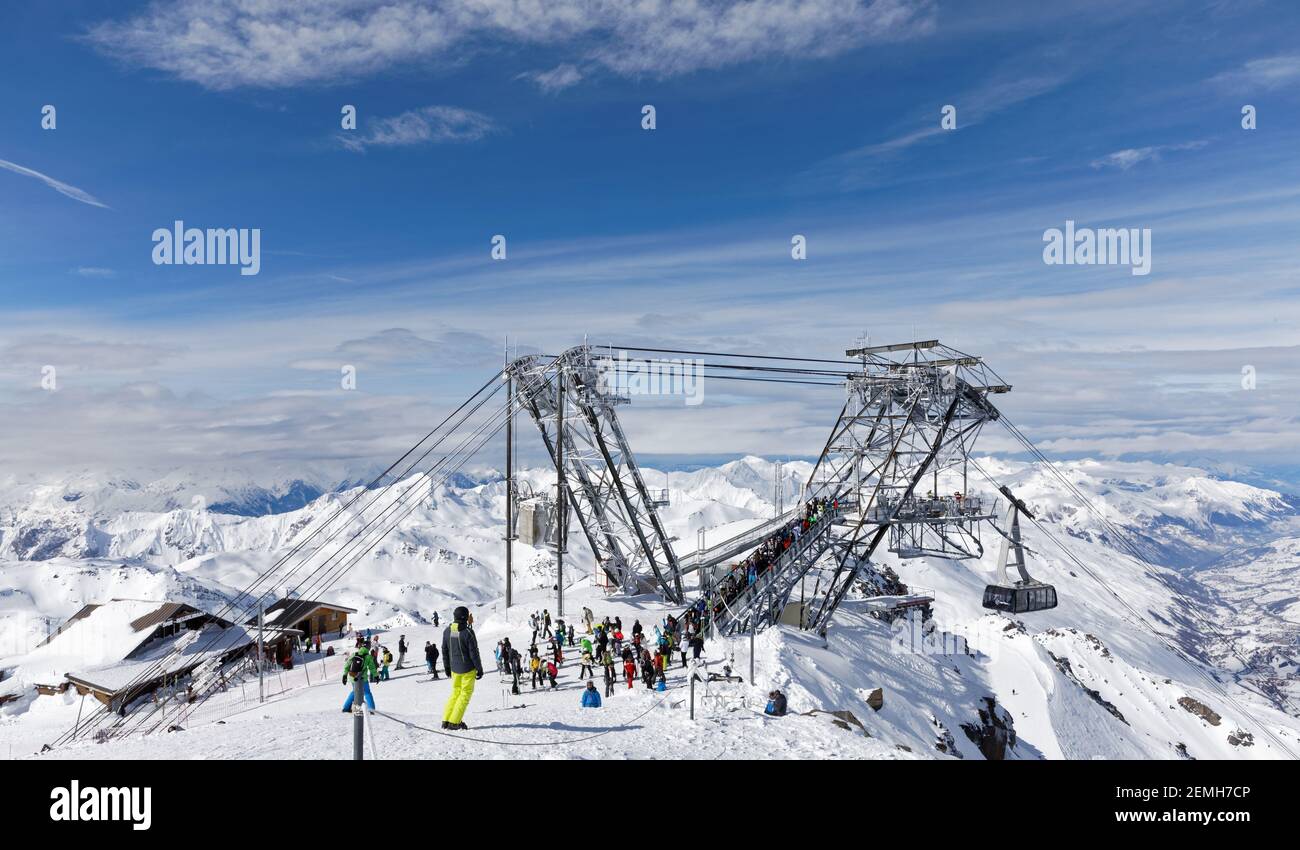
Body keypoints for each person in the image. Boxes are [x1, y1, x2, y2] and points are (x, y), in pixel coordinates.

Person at [441, 606, 484, 731]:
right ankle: (454, 722)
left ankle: (446, 719)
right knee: (465, 694)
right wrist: (479, 668)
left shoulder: (448, 631)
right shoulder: (468, 633)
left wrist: (447, 667)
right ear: (465, 618)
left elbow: (445, 650)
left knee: (455, 693)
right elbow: (473, 652)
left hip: (454, 668)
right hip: (468, 669)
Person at [340, 638, 377, 714]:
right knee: (367, 693)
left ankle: (346, 708)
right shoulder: (368, 657)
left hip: (353, 677)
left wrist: (344, 675)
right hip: (362, 678)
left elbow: (347, 665)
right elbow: (372, 668)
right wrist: (376, 676)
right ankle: (371, 709)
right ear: (368, 648)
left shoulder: (354, 654)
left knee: (354, 692)